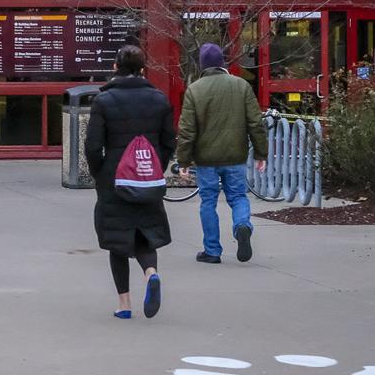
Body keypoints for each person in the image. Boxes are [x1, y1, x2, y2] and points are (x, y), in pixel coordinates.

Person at [85, 45, 176, 320]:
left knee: (117, 240)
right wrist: (155, 167)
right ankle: (151, 273)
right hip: (147, 178)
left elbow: (93, 146)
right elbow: (169, 142)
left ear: (115, 67)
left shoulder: (104, 101)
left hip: (115, 178)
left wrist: (100, 173)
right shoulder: (159, 99)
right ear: (142, 69)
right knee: (145, 233)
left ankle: (124, 304)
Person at [176, 43, 268, 265]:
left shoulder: (195, 90)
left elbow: (187, 130)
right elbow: (255, 123)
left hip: (206, 158)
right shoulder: (241, 86)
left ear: (202, 65)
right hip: (235, 155)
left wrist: (183, 160)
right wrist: (261, 153)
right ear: (222, 63)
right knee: (238, 197)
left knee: (208, 201)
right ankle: (242, 225)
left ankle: (212, 251)